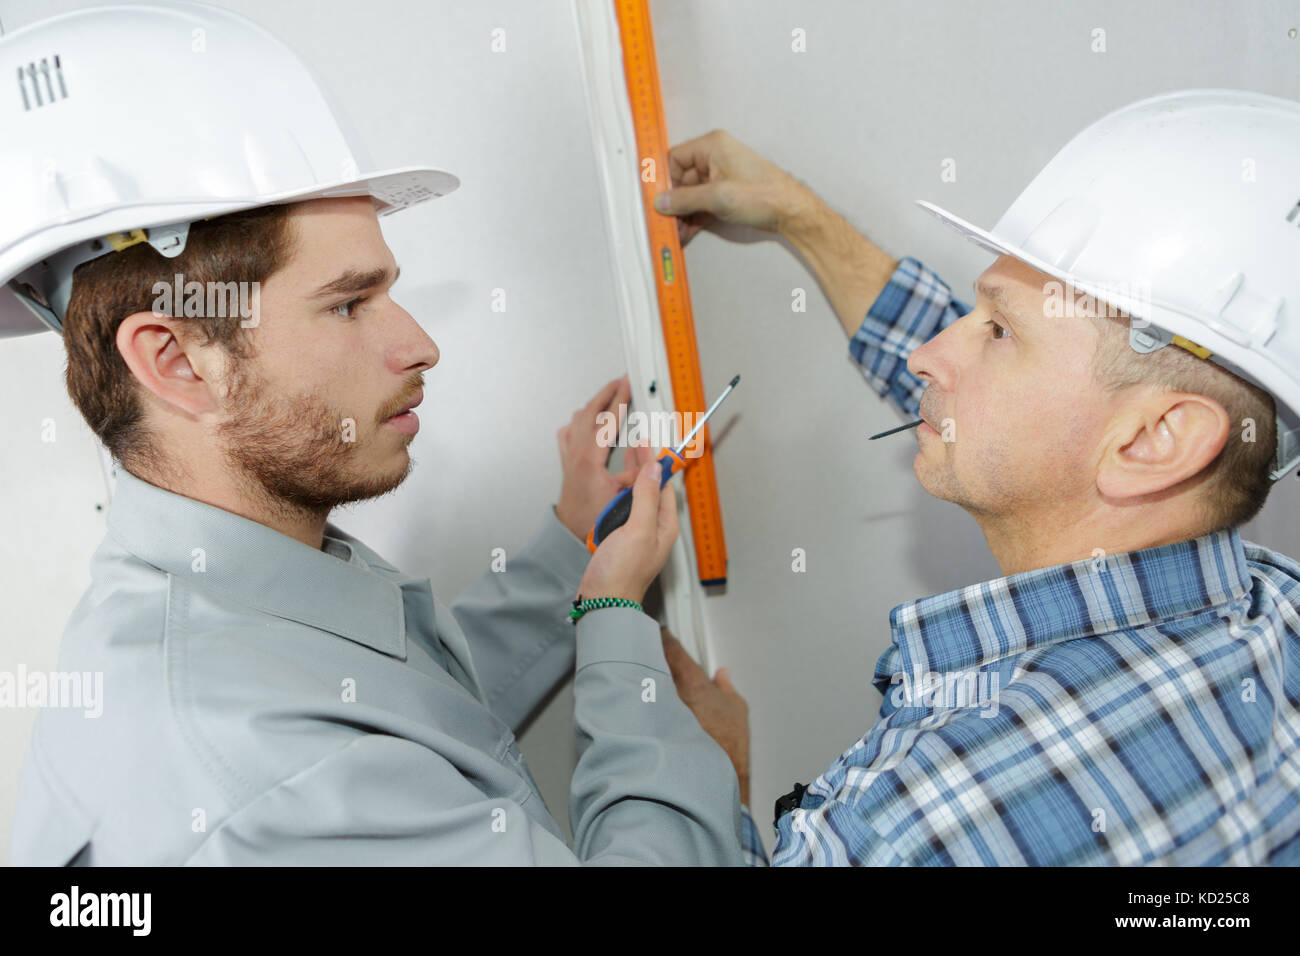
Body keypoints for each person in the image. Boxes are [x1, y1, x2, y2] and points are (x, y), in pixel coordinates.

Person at [5, 3, 741, 866]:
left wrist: (570, 553)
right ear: (176, 361)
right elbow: (339, 772)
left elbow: (397, 722)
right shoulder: (270, 790)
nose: (421, 345)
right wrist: (677, 734)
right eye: (349, 303)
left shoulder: (213, 604)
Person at [654, 92, 1300, 865]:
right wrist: (798, 215)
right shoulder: (1277, 612)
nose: (927, 356)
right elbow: (1040, 419)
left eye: (997, 331)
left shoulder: (919, 827)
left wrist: (710, 775)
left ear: (1154, 440)